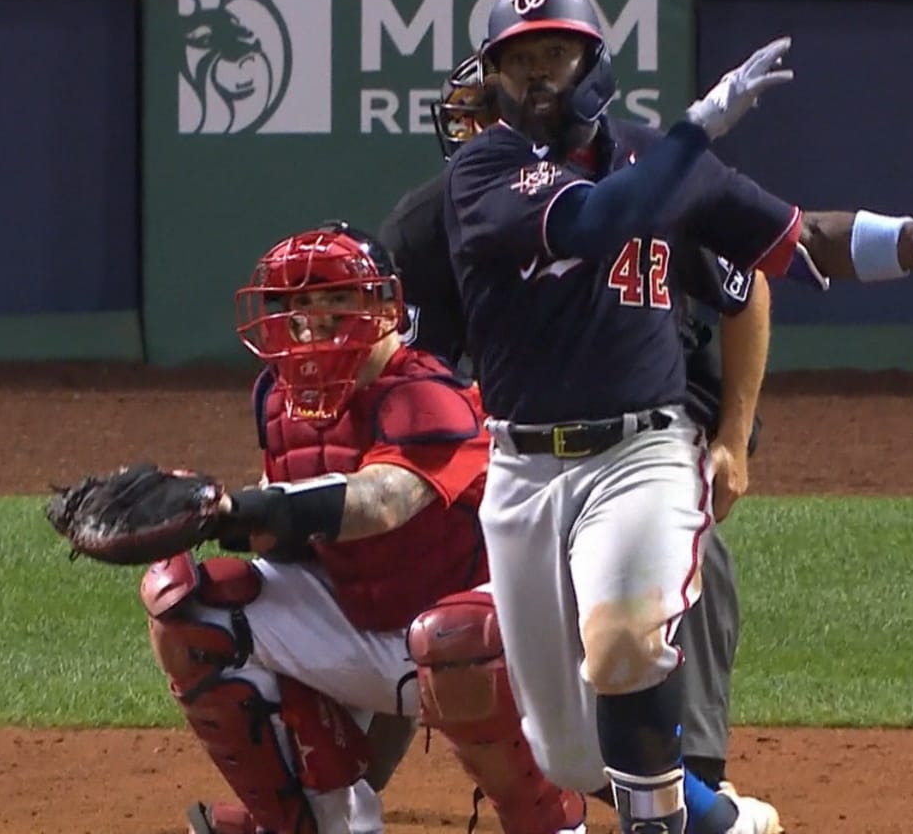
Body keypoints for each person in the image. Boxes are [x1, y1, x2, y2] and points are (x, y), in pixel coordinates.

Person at [443, 0, 913, 834]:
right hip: (523, 473)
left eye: (554, 52)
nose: (536, 75)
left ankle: (664, 825)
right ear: (494, 76)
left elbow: (803, 244)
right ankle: (714, 822)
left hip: (641, 455)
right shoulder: (482, 171)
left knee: (622, 648)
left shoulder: (661, 160)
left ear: (592, 61)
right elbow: (592, 222)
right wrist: (700, 131)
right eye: (518, 59)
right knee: (572, 758)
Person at [377, 49, 767, 798]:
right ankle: (345, 788)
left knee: (694, 561)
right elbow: (417, 376)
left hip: (658, 407)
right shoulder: (432, 223)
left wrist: (732, 439)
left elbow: (747, 288)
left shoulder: (633, 185)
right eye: (483, 116)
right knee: (414, 567)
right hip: (512, 432)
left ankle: (699, 775)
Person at [139, 221, 589, 834]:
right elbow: (293, 541)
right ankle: (316, 821)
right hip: (364, 623)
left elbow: (380, 503)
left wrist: (243, 511)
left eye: (334, 299)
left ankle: (550, 822)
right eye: (300, 303)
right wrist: (200, 518)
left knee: (456, 638)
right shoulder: (276, 397)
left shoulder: (426, 393)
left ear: (381, 310)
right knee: (188, 606)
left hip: (494, 638)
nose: (313, 318)